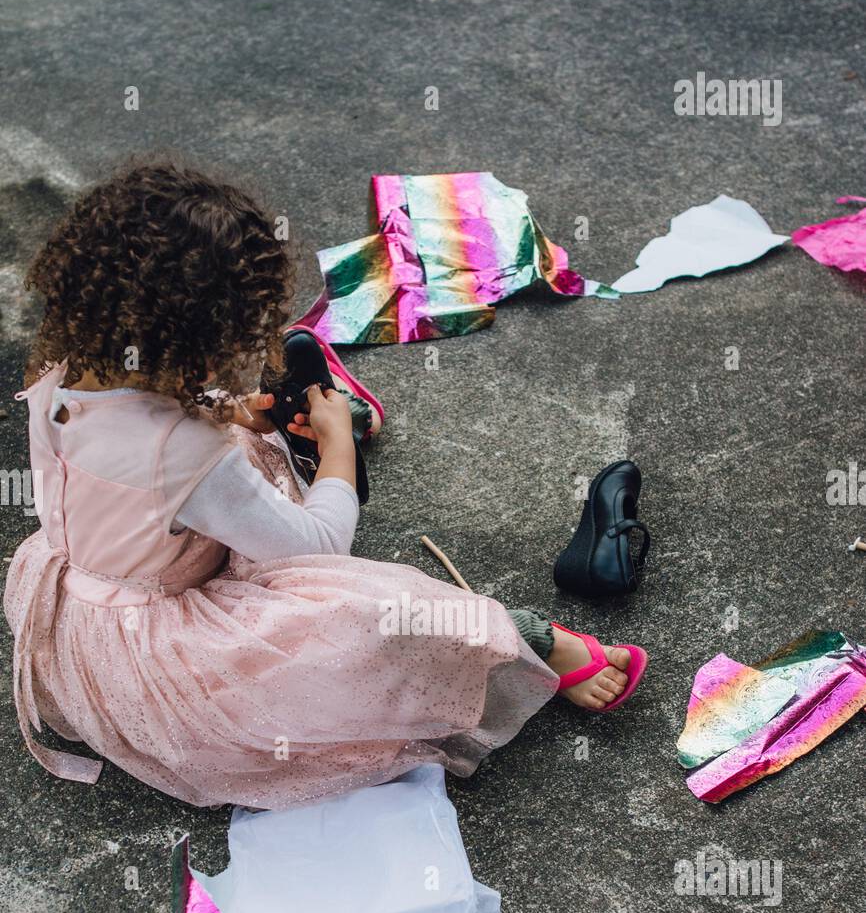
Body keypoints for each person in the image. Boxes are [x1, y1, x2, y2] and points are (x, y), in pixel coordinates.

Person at [4, 158, 645, 810]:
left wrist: (231, 409)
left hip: (85, 630)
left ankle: (285, 424)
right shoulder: (186, 448)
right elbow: (318, 548)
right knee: (379, 617)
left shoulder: (58, 372)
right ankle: (528, 640)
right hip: (176, 661)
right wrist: (335, 441)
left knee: (246, 431)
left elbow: (126, 447)